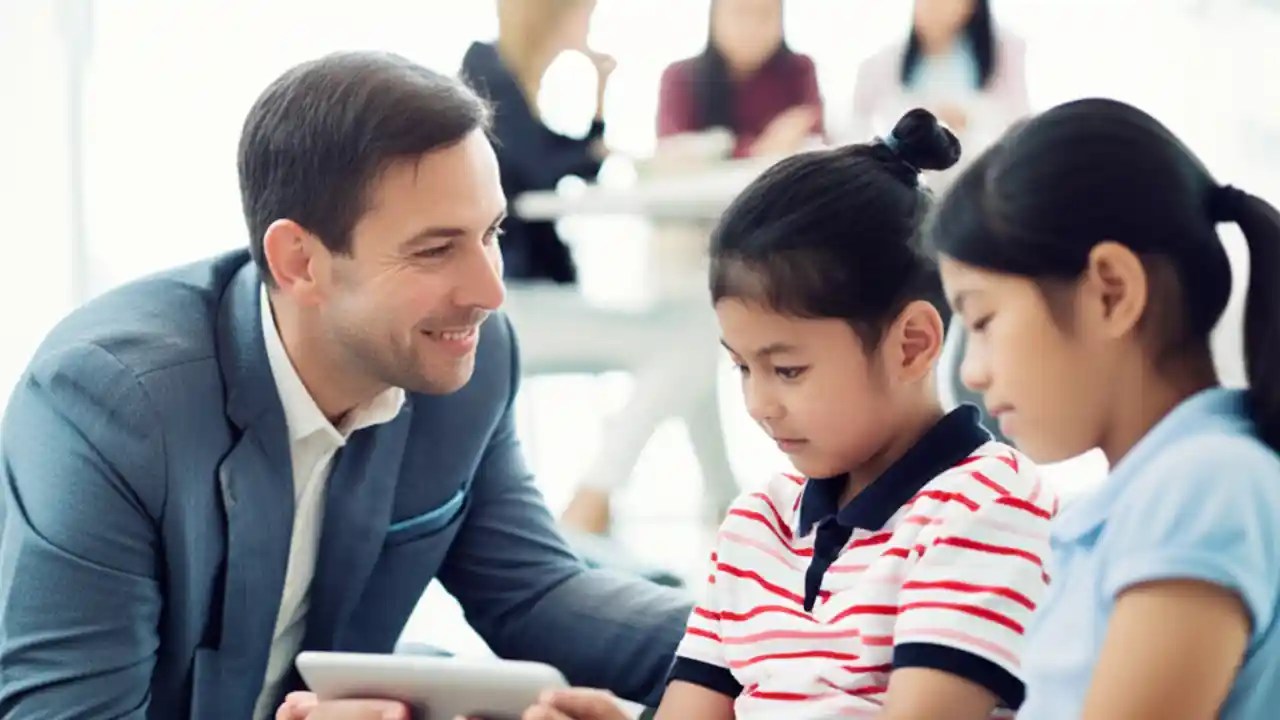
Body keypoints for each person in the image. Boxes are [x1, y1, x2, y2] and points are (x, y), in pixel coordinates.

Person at [0, 52, 690, 720]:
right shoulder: (109, 404)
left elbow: (535, 596)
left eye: (492, 233)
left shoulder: (464, 362)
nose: (490, 290)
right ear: (300, 261)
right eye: (435, 249)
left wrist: (766, 635)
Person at [517, 110, 1056, 720]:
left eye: (787, 370)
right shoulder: (758, 526)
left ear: (911, 344)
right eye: (743, 368)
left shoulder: (987, 506)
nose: (758, 404)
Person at [932, 97, 1280, 719]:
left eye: (982, 319)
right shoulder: (1155, 493)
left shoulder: (1202, 487)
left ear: (1111, 292)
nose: (970, 370)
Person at [460, 0, 615, 285]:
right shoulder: (487, 70)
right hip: (514, 256)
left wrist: (601, 91)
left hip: (533, 253)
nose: (588, 27)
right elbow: (538, 168)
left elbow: (580, 165)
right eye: (584, 16)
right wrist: (590, 154)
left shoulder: (519, 78)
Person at [656, 0, 824, 159]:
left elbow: (816, 138)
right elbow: (672, 148)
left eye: (764, 15)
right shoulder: (680, 77)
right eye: (740, 13)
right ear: (714, 18)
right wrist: (756, 149)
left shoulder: (799, 70)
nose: (752, 27)